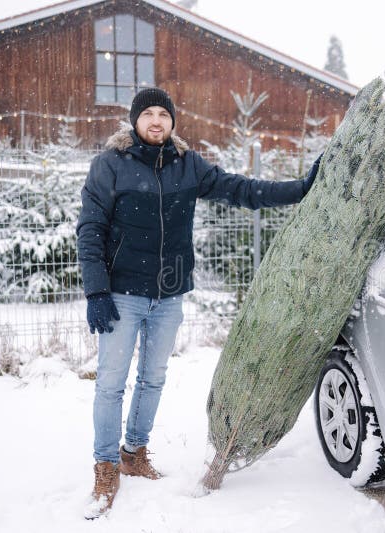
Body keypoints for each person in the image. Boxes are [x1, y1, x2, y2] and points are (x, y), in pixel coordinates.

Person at [77, 87, 320, 518]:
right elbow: (90, 229)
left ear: (172, 122)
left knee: (153, 378)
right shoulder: (110, 165)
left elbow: (241, 190)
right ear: (134, 121)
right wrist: (96, 291)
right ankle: (105, 464)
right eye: (147, 114)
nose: (156, 121)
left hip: (168, 295)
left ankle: (134, 451)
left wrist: (300, 189)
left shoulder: (187, 166)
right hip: (121, 296)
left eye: (163, 115)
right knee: (111, 383)